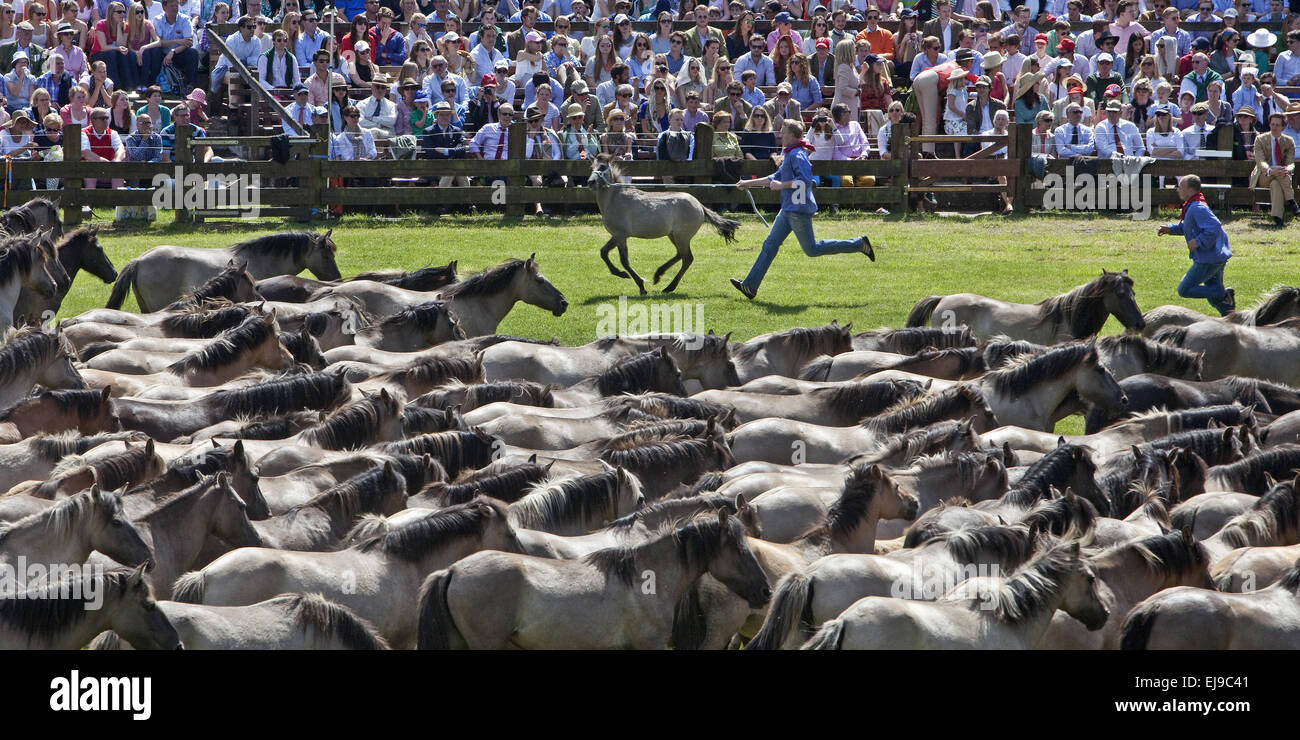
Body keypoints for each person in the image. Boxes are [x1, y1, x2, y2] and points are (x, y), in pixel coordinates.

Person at [730, 119, 875, 301]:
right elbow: (773, 177)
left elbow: (806, 182)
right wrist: (747, 183)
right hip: (788, 210)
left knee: (812, 249)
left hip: (797, 211)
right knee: (769, 245)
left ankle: (859, 244)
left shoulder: (797, 155)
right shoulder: (791, 154)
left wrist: (781, 186)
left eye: (783, 132)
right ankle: (750, 286)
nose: (780, 135)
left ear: (792, 135)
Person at [1158, 174, 1235, 316]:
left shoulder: (1196, 207)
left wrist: (1198, 242)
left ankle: (1222, 293)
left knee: (1184, 289)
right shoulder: (1193, 205)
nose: (1177, 190)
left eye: (1180, 187)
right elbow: (1187, 227)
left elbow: (1214, 226)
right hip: (1214, 257)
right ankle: (1232, 318)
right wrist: (1170, 229)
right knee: (1213, 297)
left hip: (1208, 260)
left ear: (1190, 190)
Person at [1252, 110, 1299, 226]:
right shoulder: (1260, 139)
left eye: (1277, 125)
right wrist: (1270, 170)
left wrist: (1287, 169)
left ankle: (1277, 217)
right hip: (1264, 175)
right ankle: (1292, 201)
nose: (1274, 127)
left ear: (1283, 127)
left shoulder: (1289, 141)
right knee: (1278, 171)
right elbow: (1260, 161)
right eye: (1272, 124)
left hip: (1280, 176)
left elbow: (1291, 163)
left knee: (1276, 184)